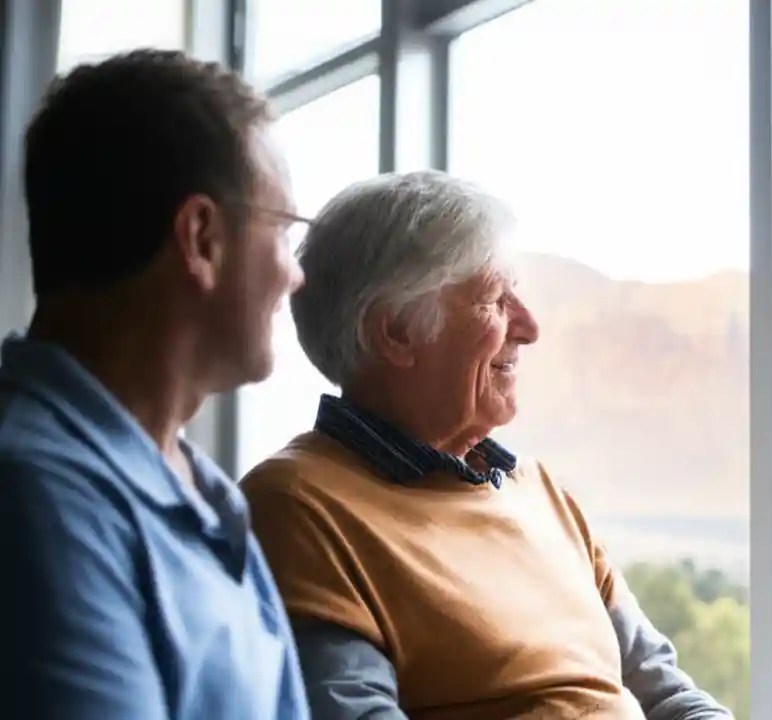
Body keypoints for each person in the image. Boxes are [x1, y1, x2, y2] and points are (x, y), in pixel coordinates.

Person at [241, 170, 733, 719]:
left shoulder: (542, 493)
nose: (529, 326)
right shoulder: (296, 506)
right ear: (397, 332)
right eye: (497, 299)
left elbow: (668, 695)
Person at [0, 50, 308, 718]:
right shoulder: (38, 498)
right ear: (201, 239)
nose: (294, 275)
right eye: (283, 232)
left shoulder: (209, 496)